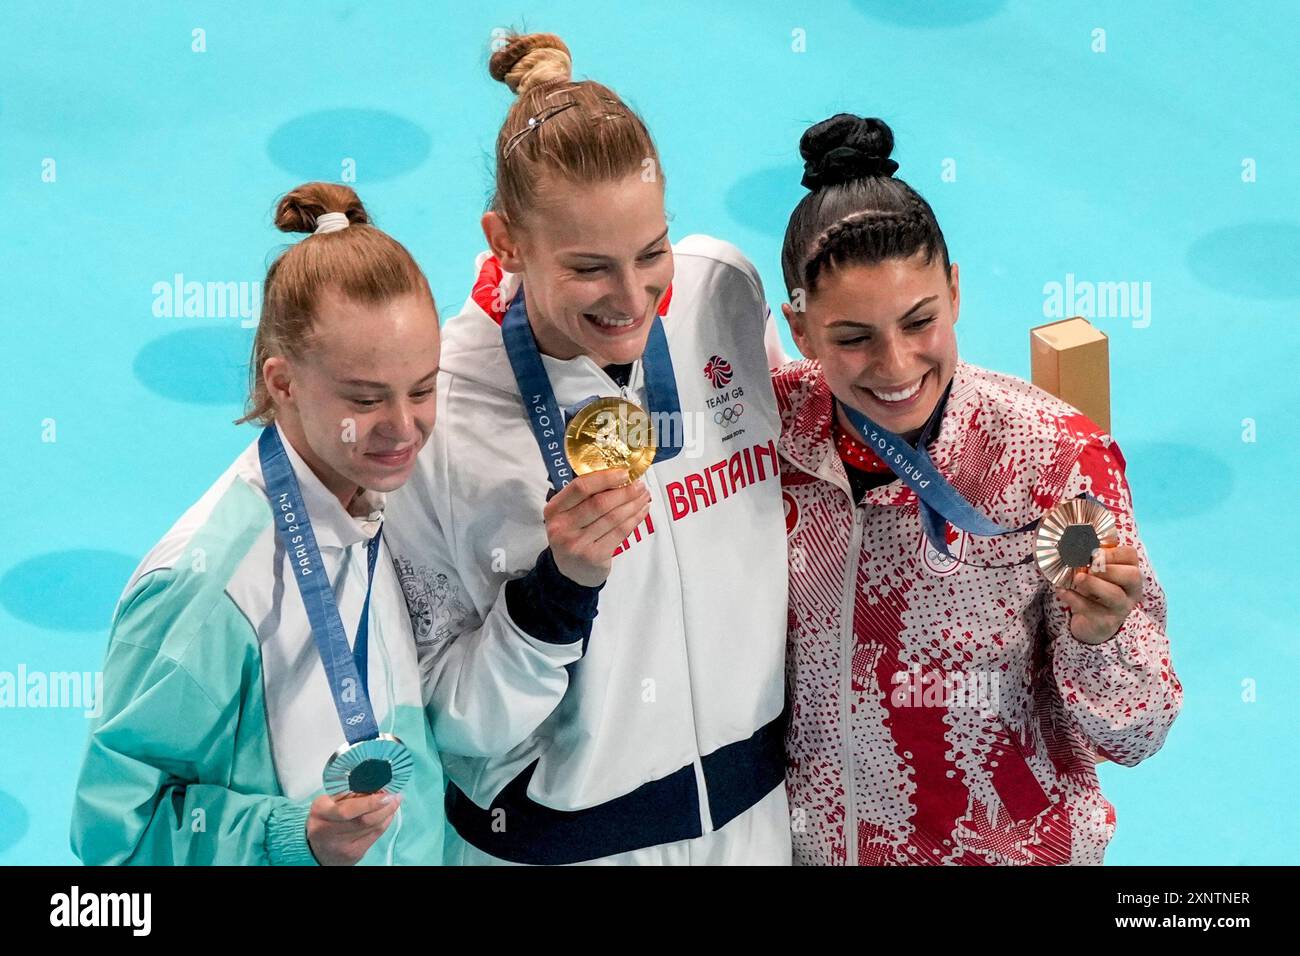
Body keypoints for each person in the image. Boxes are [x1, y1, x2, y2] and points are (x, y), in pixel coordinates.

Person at [384, 32, 791, 865]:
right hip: (563, 848)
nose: (633, 296)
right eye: (590, 269)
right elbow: (444, 716)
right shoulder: (437, 423)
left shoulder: (722, 298)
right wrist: (553, 594)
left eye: (650, 253)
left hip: (757, 825)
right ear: (506, 241)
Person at [772, 114, 1183, 865]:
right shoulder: (770, 441)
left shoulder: (1052, 457)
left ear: (955, 294)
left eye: (919, 320)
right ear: (801, 334)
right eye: (853, 337)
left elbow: (1140, 730)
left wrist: (1101, 638)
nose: (895, 366)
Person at [71, 183, 446, 865]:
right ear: (283, 383)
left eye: (423, 388)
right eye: (366, 399)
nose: (404, 428)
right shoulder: (210, 586)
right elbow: (116, 836)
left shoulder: (377, 497)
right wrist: (293, 835)